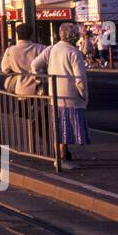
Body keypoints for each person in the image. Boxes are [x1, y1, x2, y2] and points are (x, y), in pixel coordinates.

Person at [34, 23, 89, 169]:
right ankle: (62, 159)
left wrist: (41, 79)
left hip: (55, 95)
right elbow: (80, 78)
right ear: (73, 36)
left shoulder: (51, 49)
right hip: (71, 96)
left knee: (58, 128)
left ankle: (59, 158)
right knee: (66, 129)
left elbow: (34, 65)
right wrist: (83, 94)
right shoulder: (74, 52)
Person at [0, 24, 46, 97]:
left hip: (20, 88)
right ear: (31, 35)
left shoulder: (10, 50)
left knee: (21, 108)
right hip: (39, 88)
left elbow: (5, 69)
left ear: (17, 35)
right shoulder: (41, 48)